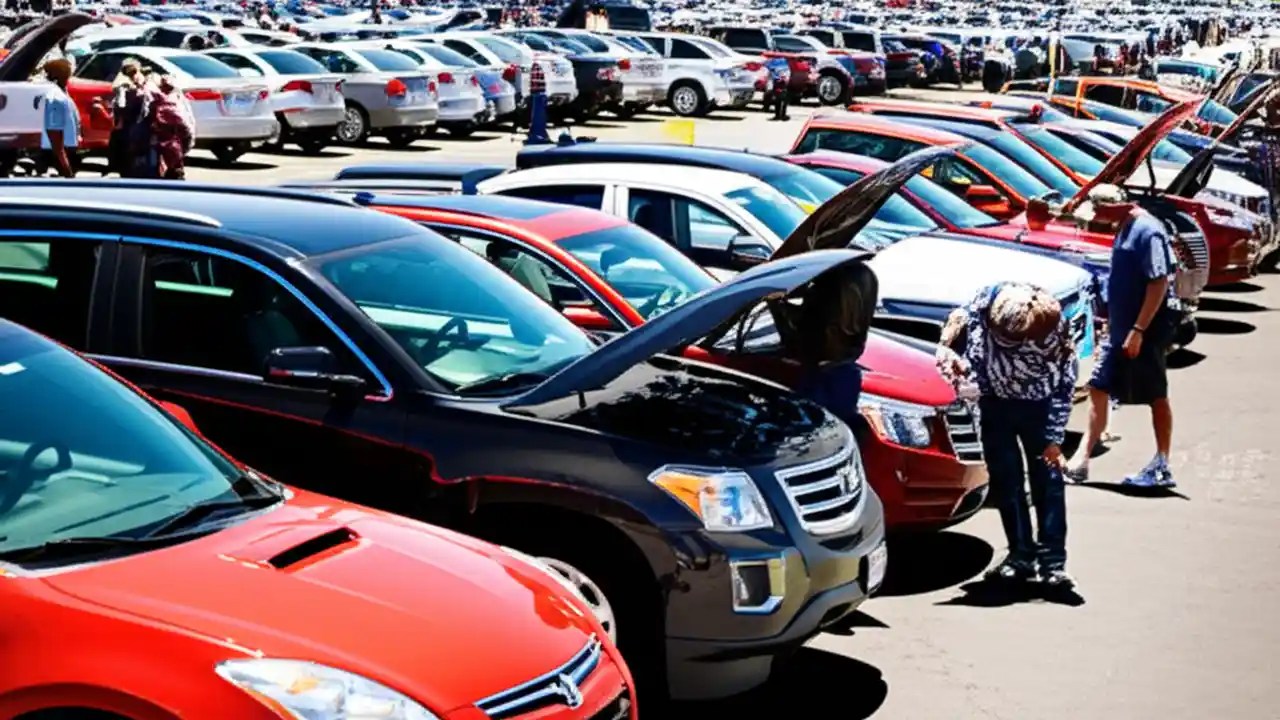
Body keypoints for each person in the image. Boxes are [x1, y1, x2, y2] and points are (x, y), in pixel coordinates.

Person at [938, 282, 1078, 589]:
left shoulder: (1052, 326)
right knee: (1007, 482)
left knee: (1049, 481)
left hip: (1038, 407)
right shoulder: (982, 307)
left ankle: (1053, 562)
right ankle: (1020, 556)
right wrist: (957, 367)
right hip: (994, 405)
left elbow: (1066, 384)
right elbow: (952, 347)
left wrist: (1055, 438)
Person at [1066, 185, 1178, 488]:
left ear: (1115, 207)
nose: (1097, 219)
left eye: (1099, 212)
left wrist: (1138, 331)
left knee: (1155, 394)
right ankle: (1082, 459)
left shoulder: (1148, 232)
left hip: (1144, 331)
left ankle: (1162, 463)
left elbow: (1158, 283)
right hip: (1121, 330)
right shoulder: (1125, 227)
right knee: (1099, 386)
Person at [149, 76, 195, 180]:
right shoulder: (174, 99)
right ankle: (175, 171)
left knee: (172, 153)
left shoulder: (166, 101)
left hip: (172, 135)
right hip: (175, 135)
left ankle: (174, 171)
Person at [39, 58, 78, 178]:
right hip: (58, 151)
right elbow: (54, 130)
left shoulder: (61, 93)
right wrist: (64, 163)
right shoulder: (55, 97)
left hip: (62, 149)